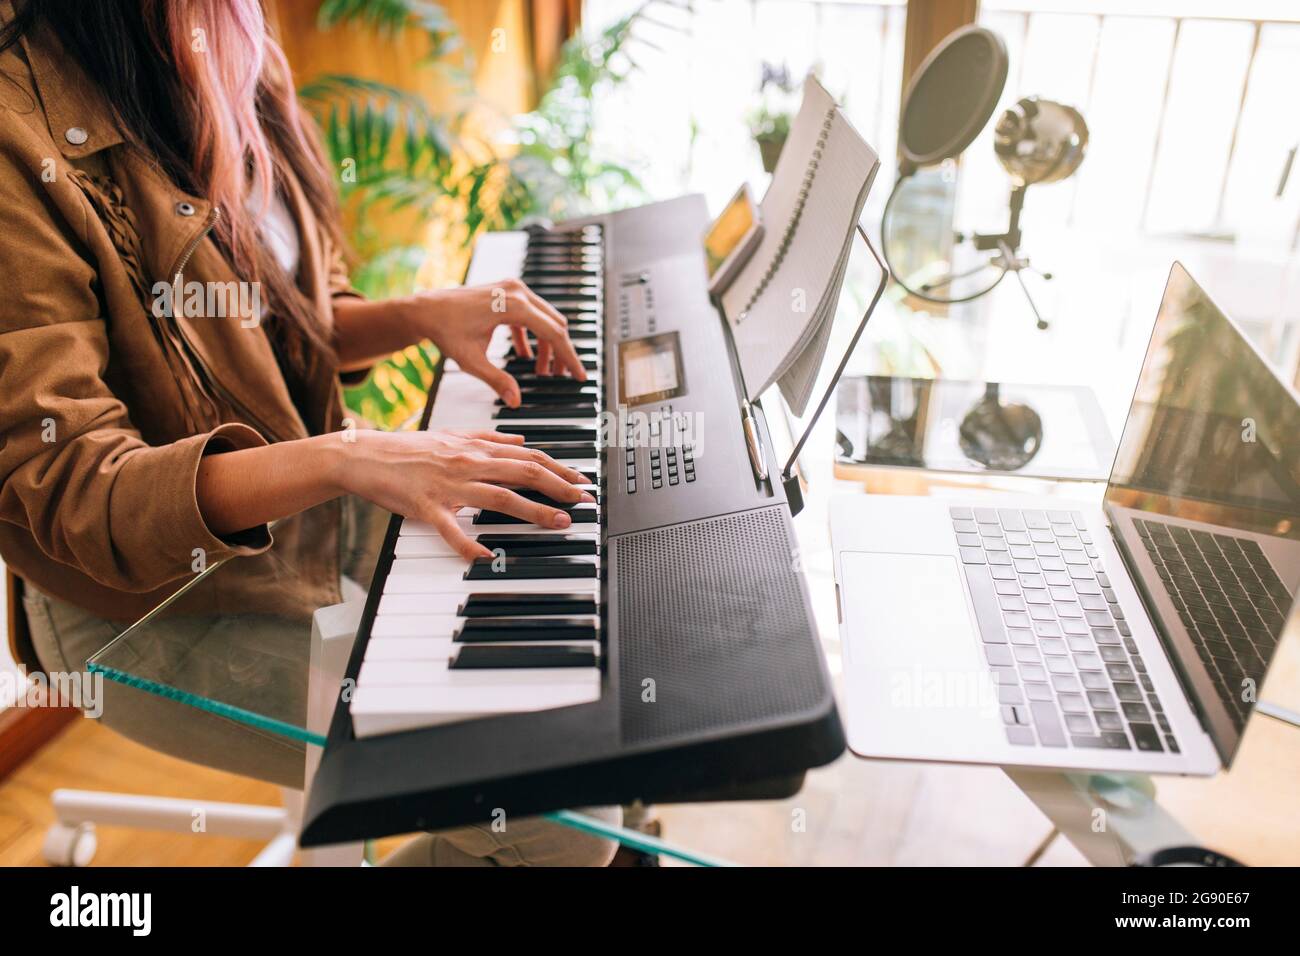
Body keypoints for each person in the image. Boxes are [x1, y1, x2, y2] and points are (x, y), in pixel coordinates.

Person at [0, 0, 618, 866]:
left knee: (602, 670)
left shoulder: (235, 35)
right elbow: (78, 487)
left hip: (313, 514)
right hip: (147, 610)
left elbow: (284, 320)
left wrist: (419, 315)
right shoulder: (14, 133)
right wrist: (348, 455)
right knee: (557, 819)